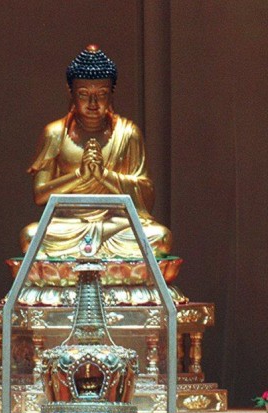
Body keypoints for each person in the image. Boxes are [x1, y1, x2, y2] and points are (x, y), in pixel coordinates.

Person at [20, 45, 172, 259]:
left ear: (111, 94)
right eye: (84, 94)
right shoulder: (55, 133)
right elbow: (40, 194)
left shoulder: (128, 134)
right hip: (69, 225)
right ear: (70, 92)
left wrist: (104, 176)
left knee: (160, 238)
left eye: (101, 94)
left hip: (115, 225)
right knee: (31, 237)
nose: (93, 103)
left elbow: (146, 196)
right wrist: (80, 175)